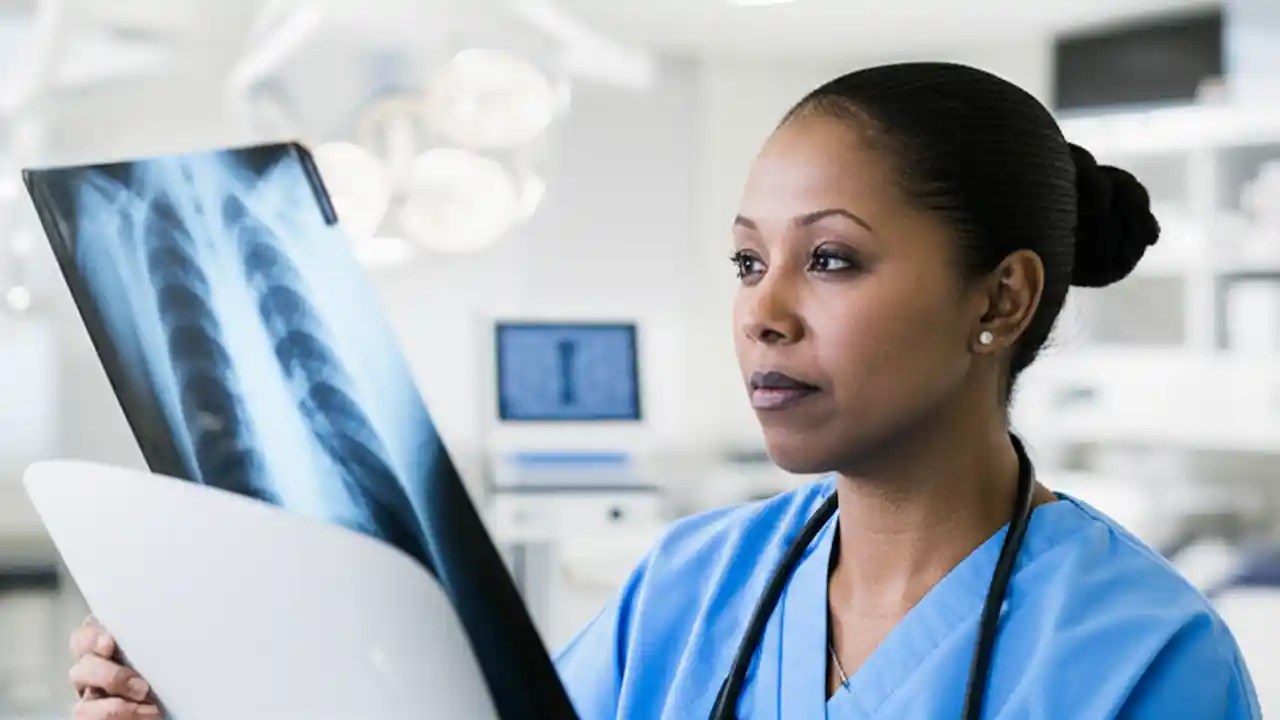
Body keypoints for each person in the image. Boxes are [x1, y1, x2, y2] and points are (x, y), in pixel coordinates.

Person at [67, 62, 1261, 719]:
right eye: (747, 260)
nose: (762, 309)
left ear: (997, 299)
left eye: (829, 258)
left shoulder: (1143, 660)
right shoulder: (692, 587)